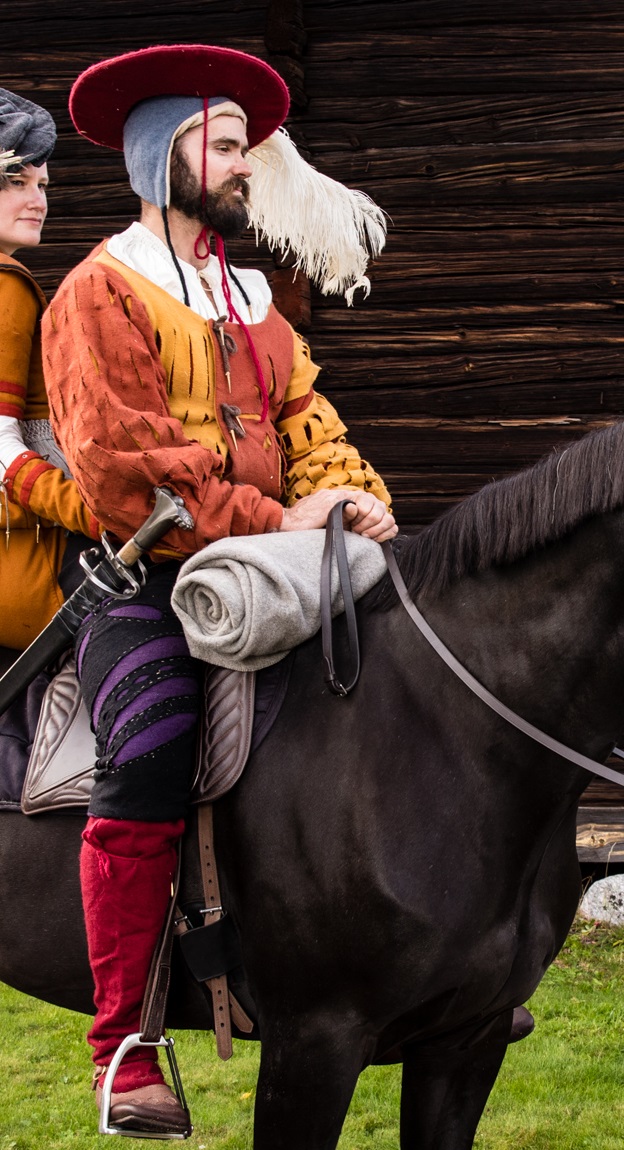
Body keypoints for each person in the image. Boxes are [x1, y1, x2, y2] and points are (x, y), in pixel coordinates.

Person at [42, 44, 397, 1135]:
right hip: (141, 574)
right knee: (149, 745)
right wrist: (272, 517)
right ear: (162, 156)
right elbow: (122, 464)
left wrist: (348, 497)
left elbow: (306, 423)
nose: (246, 167)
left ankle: (421, 962)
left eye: (248, 148)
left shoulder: (256, 300)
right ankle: (127, 1046)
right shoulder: (99, 290)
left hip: (278, 561)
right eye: (227, 145)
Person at [0, 89, 98, 653]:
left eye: (43, 186)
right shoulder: (5, 285)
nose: (38, 200)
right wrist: (100, 516)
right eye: (18, 182)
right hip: (27, 576)